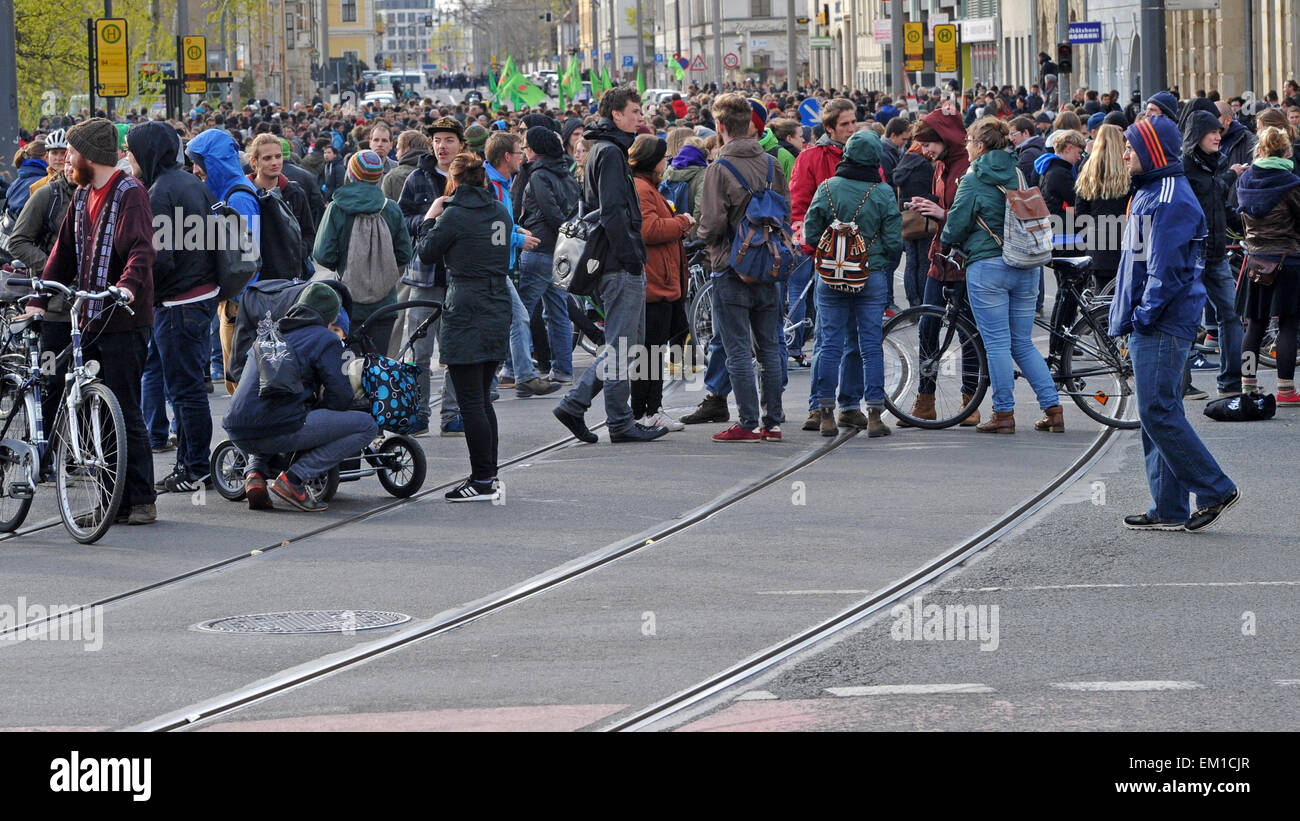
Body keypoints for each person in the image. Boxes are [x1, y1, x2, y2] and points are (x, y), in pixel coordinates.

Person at [20, 118, 159, 525]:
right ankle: (111, 501)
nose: (67, 160)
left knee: (125, 409)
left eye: (73, 153)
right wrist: (39, 299)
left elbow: (141, 250)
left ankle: (142, 498)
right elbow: (62, 255)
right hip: (91, 316)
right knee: (96, 410)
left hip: (124, 316)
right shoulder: (82, 196)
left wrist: (129, 286)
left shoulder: (129, 193)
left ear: (90, 157)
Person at [1111, 114, 1239, 532]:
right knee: (1156, 413)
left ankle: (1215, 488)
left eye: (1131, 146)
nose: (1125, 152)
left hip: (1163, 322)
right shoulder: (1155, 190)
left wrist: (1143, 315)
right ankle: (1168, 506)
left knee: (1158, 411)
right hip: (1156, 320)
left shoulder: (1166, 196)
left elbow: (1165, 271)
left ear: (1150, 149)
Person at [553, 87, 667, 444]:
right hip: (619, 263)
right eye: (634, 111)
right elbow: (615, 212)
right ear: (616, 115)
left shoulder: (601, 149)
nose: (640, 117)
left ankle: (613, 417)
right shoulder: (612, 153)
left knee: (627, 345)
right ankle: (585, 407)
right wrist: (632, 257)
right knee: (623, 346)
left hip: (613, 260)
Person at [939, 117, 1063, 434]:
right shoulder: (1017, 171)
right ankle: (1053, 409)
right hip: (1025, 263)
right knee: (1022, 343)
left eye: (968, 141)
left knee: (996, 344)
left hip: (988, 265)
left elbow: (957, 221)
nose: (965, 146)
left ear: (980, 145)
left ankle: (1004, 413)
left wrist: (947, 241)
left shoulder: (973, 178)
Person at [223, 283, 376, 512]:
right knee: (366, 426)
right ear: (331, 315)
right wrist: (320, 407)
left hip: (236, 429)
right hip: (277, 428)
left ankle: (254, 473)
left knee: (270, 411)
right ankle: (294, 480)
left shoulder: (267, 333)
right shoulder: (325, 339)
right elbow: (340, 396)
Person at [127, 121, 221, 494]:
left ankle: (195, 467)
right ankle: (191, 463)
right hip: (200, 296)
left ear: (148, 153)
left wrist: (137, 286)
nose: (128, 158)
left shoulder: (160, 191)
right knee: (188, 387)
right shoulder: (189, 183)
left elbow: (161, 257)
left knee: (185, 391)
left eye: (132, 150)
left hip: (179, 301)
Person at [414, 153, 514, 501]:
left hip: (466, 301)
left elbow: (426, 252)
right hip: (497, 299)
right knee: (482, 397)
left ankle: (483, 479)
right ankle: (488, 473)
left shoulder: (453, 216)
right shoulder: (499, 211)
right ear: (484, 180)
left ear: (453, 182)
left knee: (471, 398)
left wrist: (429, 218)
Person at [697, 92, 789, 442]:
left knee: (736, 348)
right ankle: (774, 422)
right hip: (769, 264)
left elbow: (713, 223)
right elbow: (785, 211)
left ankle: (748, 422)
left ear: (720, 127)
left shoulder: (718, 168)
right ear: (751, 124)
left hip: (731, 267)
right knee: (769, 346)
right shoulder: (771, 163)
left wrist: (700, 236)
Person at [803, 130, 903, 438]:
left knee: (829, 344)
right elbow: (894, 242)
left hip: (832, 276)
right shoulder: (883, 192)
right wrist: (879, 262)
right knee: (870, 344)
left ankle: (825, 413)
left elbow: (809, 233)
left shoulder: (828, 187)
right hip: (869, 274)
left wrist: (832, 247)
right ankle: (873, 413)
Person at [903, 107, 982, 427]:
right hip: (941, 256)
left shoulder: (968, 168)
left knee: (968, 333)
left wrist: (941, 213)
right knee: (927, 327)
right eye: (921, 144)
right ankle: (925, 401)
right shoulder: (940, 167)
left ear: (946, 139)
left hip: (965, 258)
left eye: (928, 143)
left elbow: (973, 219)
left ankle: (970, 401)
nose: (924, 150)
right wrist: (929, 210)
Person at [312, 149, 413, 355]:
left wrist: (345, 264)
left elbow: (323, 254)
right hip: (385, 305)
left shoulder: (336, 208)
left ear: (351, 174)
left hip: (349, 303)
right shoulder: (390, 209)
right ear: (379, 176)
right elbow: (404, 254)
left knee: (351, 368)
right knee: (378, 367)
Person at [483, 131, 559, 398]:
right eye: (519, 152)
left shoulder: (500, 182)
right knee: (516, 317)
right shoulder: (490, 184)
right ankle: (518, 376)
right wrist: (517, 239)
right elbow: (489, 229)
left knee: (511, 319)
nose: (522, 157)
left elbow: (498, 222)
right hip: (491, 265)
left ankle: (513, 376)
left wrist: (517, 229)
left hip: (497, 265)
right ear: (506, 157)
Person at [187, 127, 262, 395]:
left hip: (238, 304)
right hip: (235, 301)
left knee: (239, 384)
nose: (195, 171)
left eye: (200, 164)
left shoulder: (238, 198)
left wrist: (237, 304)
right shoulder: (229, 193)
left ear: (214, 163)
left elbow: (248, 255)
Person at [629, 134, 693, 430]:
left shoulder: (648, 187)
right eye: (663, 157)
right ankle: (646, 410)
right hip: (655, 281)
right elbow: (649, 229)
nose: (666, 162)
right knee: (650, 351)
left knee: (653, 350)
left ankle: (649, 408)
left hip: (662, 280)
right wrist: (682, 222)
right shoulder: (642, 189)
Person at [1181, 109, 1245, 398]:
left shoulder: (1215, 163)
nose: (1218, 136)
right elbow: (1206, 198)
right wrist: (1231, 175)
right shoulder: (1185, 166)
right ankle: (1181, 384)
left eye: (1220, 131)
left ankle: (1231, 382)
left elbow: (1219, 206)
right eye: (1212, 132)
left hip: (1216, 255)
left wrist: (1246, 228)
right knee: (1184, 320)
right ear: (1197, 137)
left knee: (1231, 315)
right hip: (1192, 256)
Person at [1236, 125, 1300, 405]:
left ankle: (1248, 385)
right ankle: (1286, 390)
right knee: (1288, 325)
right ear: (1287, 151)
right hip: (1289, 260)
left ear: (1260, 151)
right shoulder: (1291, 184)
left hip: (1256, 262)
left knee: (1255, 325)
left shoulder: (1245, 180)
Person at [517, 126, 578, 386]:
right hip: (563, 252)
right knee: (558, 311)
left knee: (521, 311)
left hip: (541, 248)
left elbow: (550, 212)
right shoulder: (565, 172)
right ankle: (563, 369)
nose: (524, 149)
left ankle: (513, 370)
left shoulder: (539, 175)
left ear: (536, 149)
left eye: (526, 145)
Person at [246, 132, 314, 278]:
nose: (275, 162)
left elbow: (309, 233)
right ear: (254, 162)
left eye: (278, 156)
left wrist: (295, 252)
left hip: (290, 279)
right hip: (256, 280)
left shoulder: (295, 193)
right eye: (267, 158)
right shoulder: (244, 195)